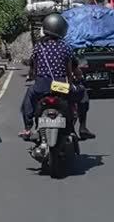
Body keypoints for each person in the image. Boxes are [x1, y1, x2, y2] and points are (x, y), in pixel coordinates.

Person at [20, 12, 95, 140]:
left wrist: (32, 76)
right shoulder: (66, 47)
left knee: (28, 99)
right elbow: (73, 69)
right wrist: (79, 78)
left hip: (41, 87)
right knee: (83, 94)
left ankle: (27, 129)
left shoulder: (39, 47)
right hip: (61, 87)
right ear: (62, 29)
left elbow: (33, 68)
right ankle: (82, 128)